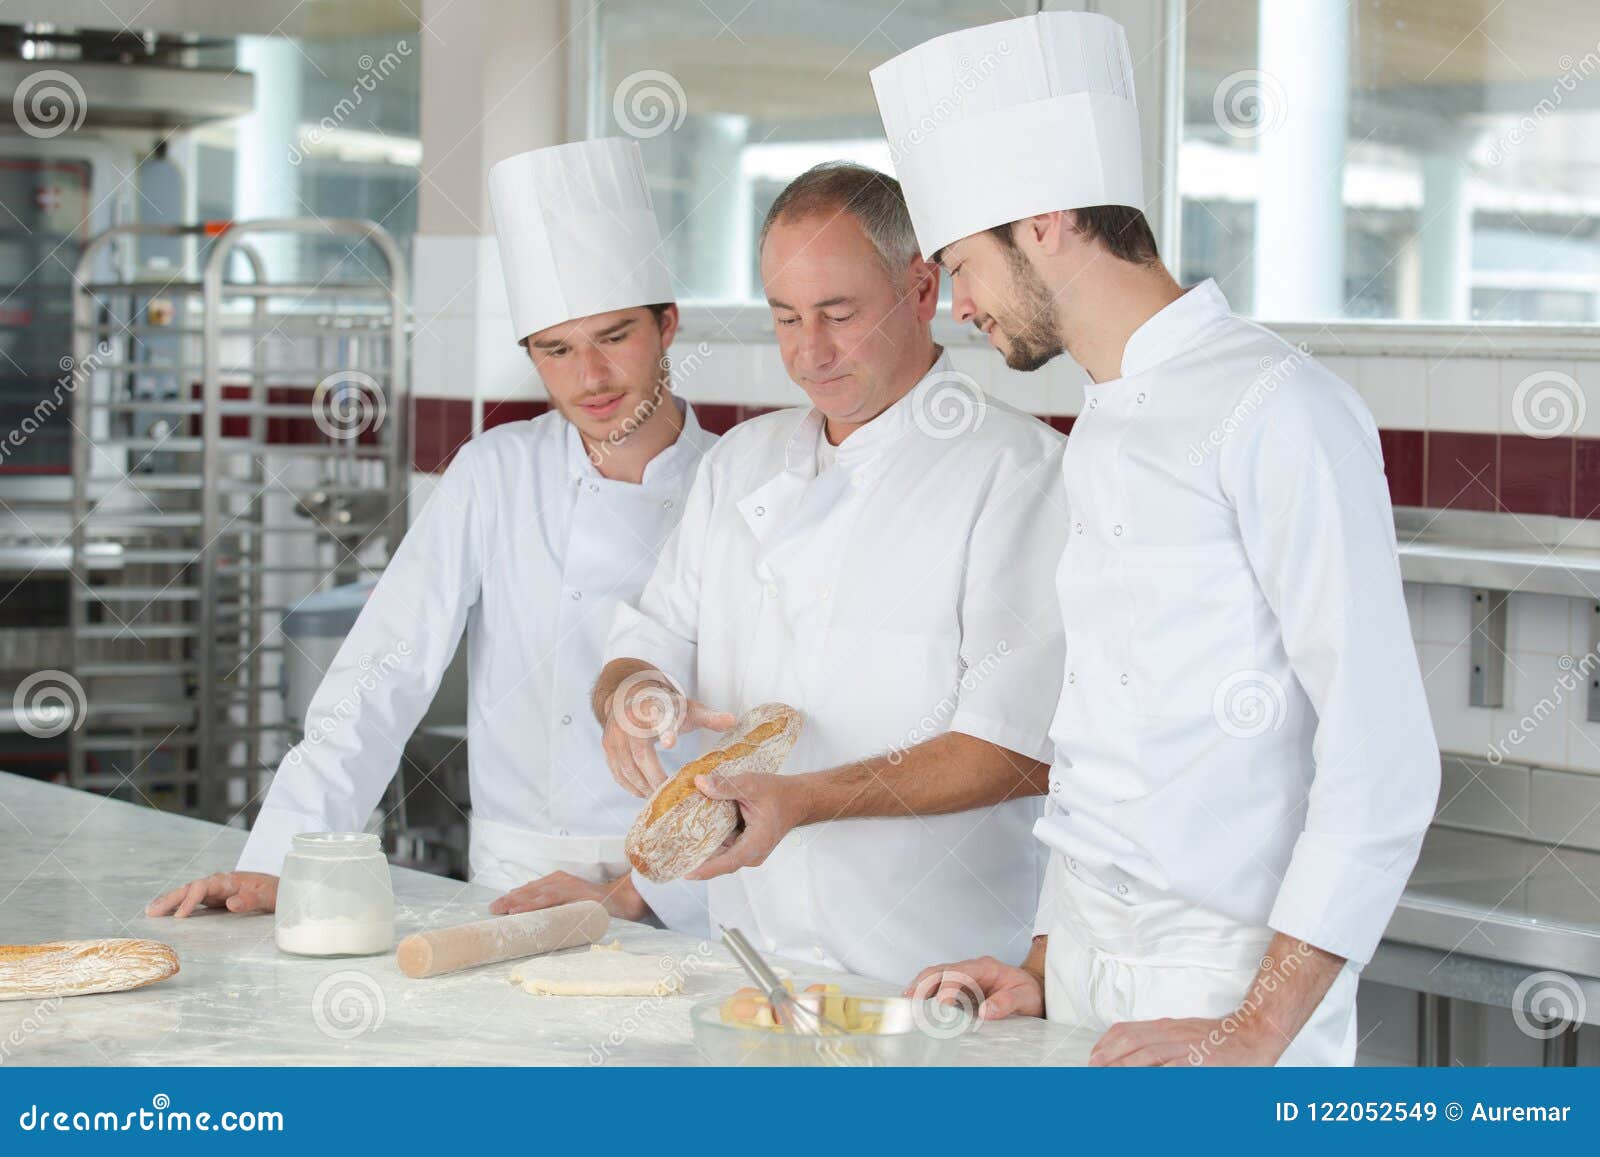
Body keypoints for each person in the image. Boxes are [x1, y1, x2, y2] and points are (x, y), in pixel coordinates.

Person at [875, 12, 1440, 1064]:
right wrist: (1044, 962)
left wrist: (1259, 1022)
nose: (956, 305)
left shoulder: (1280, 406)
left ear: (1043, 222)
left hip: (1233, 974)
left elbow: (1383, 755)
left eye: (961, 263)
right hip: (1089, 964)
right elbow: (1102, 729)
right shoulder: (1098, 418)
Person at [147, 138, 714, 935]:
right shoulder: (494, 473)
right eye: (555, 349)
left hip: (684, 882)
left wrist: (653, 884)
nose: (588, 376)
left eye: (614, 337)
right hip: (512, 881)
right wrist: (280, 860)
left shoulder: (735, 486)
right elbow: (383, 670)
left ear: (667, 325)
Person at [592, 162, 1068, 983]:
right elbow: (649, 636)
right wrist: (633, 696)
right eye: (785, 318)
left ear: (922, 289)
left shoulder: (1019, 470)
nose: (810, 353)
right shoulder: (743, 462)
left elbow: (1017, 748)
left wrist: (806, 798)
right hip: (751, 963)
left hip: (940, 976)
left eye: (838, 314)